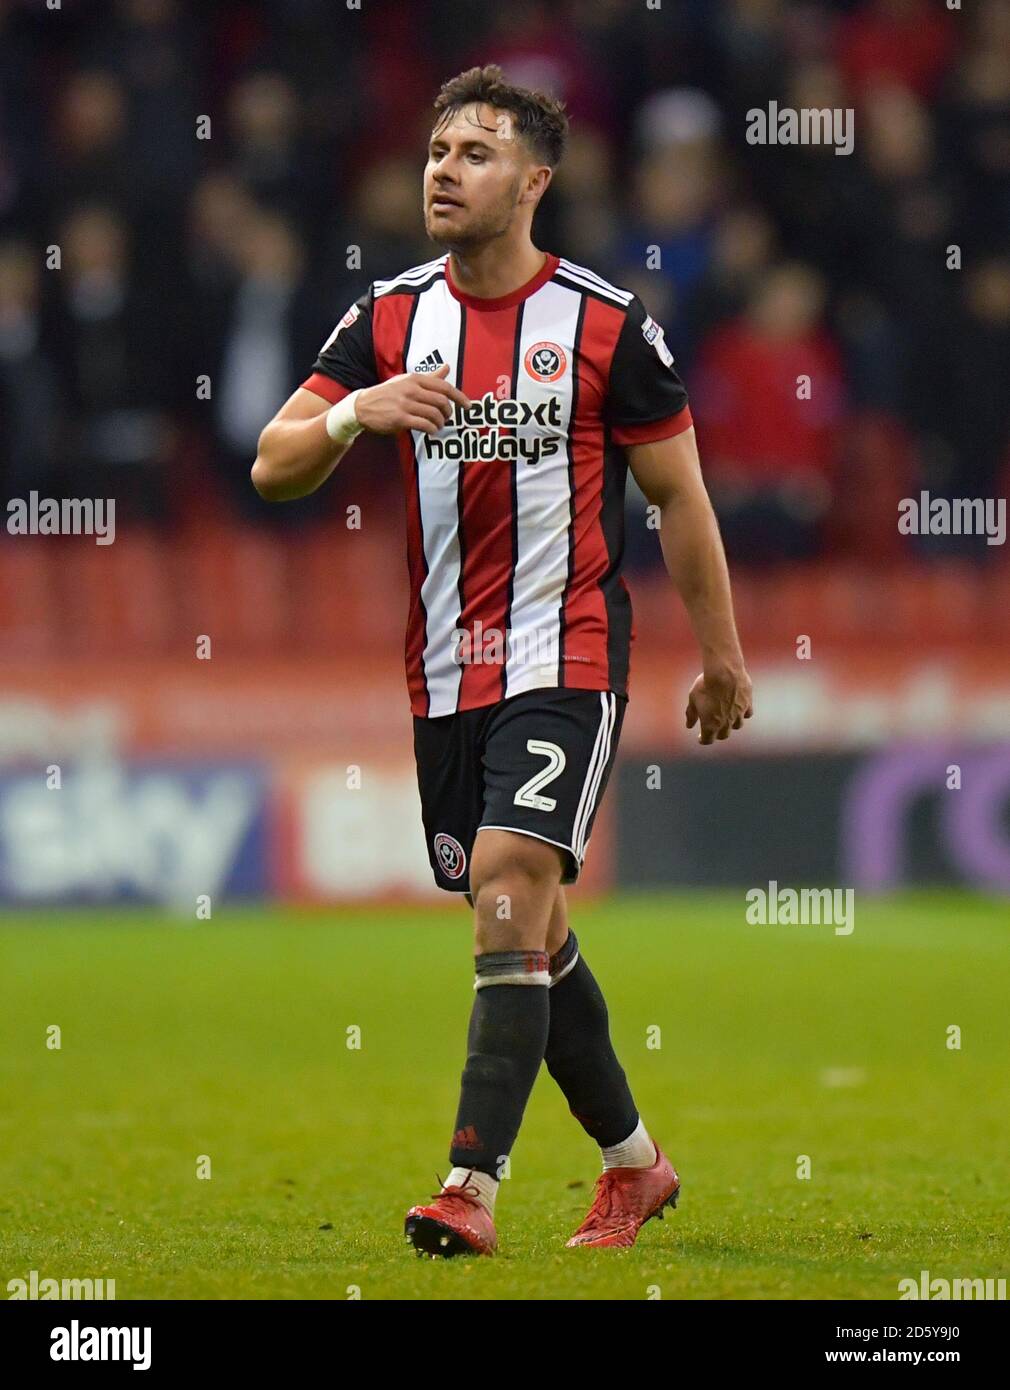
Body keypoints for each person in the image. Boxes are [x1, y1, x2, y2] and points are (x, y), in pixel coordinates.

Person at [252, 65, 752, 1257]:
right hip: (442, 667)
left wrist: (722, 658)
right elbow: (272, 463)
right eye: (435, 148)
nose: (442, 167)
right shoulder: (384, 320)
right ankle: (634, 1164)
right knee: (522, 919)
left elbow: (678, 496)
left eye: (474, 152)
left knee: (509, 877)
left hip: (566, 645)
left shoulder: (605, 325)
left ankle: (467, 1188)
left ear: (534, 181)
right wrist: (351, 415)